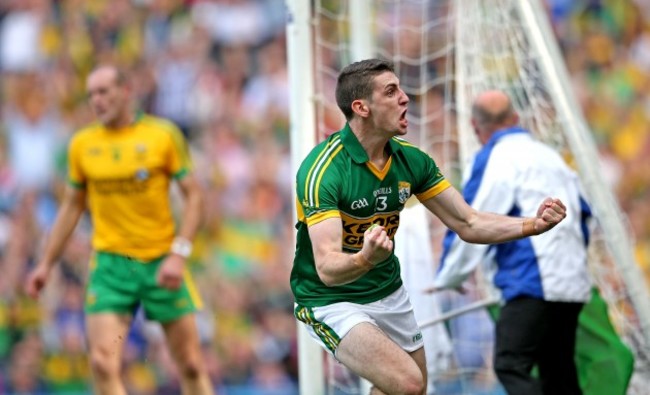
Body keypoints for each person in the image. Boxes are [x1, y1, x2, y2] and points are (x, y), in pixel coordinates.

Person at [290, 59, 568, 395]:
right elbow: (327, 268)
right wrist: (365, 259)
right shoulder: (323, 171)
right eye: (391, 92)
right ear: (361, 107)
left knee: (411, 390)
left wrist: (531, 225)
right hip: (331, 299)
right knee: (407, 383)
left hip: (387, 291)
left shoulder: (413, 161)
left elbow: (469, 222)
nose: (405, 98)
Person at [24, 65, 215, 395]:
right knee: (102, 362)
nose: (96, 101)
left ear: (126, 92)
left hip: (160, 262)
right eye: (91, 95)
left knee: (191, 364)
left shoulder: (162, 135)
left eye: (103, 92)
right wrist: (46, 263)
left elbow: (195, 196)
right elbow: (72, 206)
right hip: (111, 265)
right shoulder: (82, 145)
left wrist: (179, 254)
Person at [431, 89, 592, 395]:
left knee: (509, 364)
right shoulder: (552, 156)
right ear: (516, 118)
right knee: (558, 374)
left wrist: (449, 277)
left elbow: (470, 220)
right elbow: (584, 214)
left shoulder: (496, 157)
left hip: (532, 282)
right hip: (573, 284)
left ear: (476, 127)